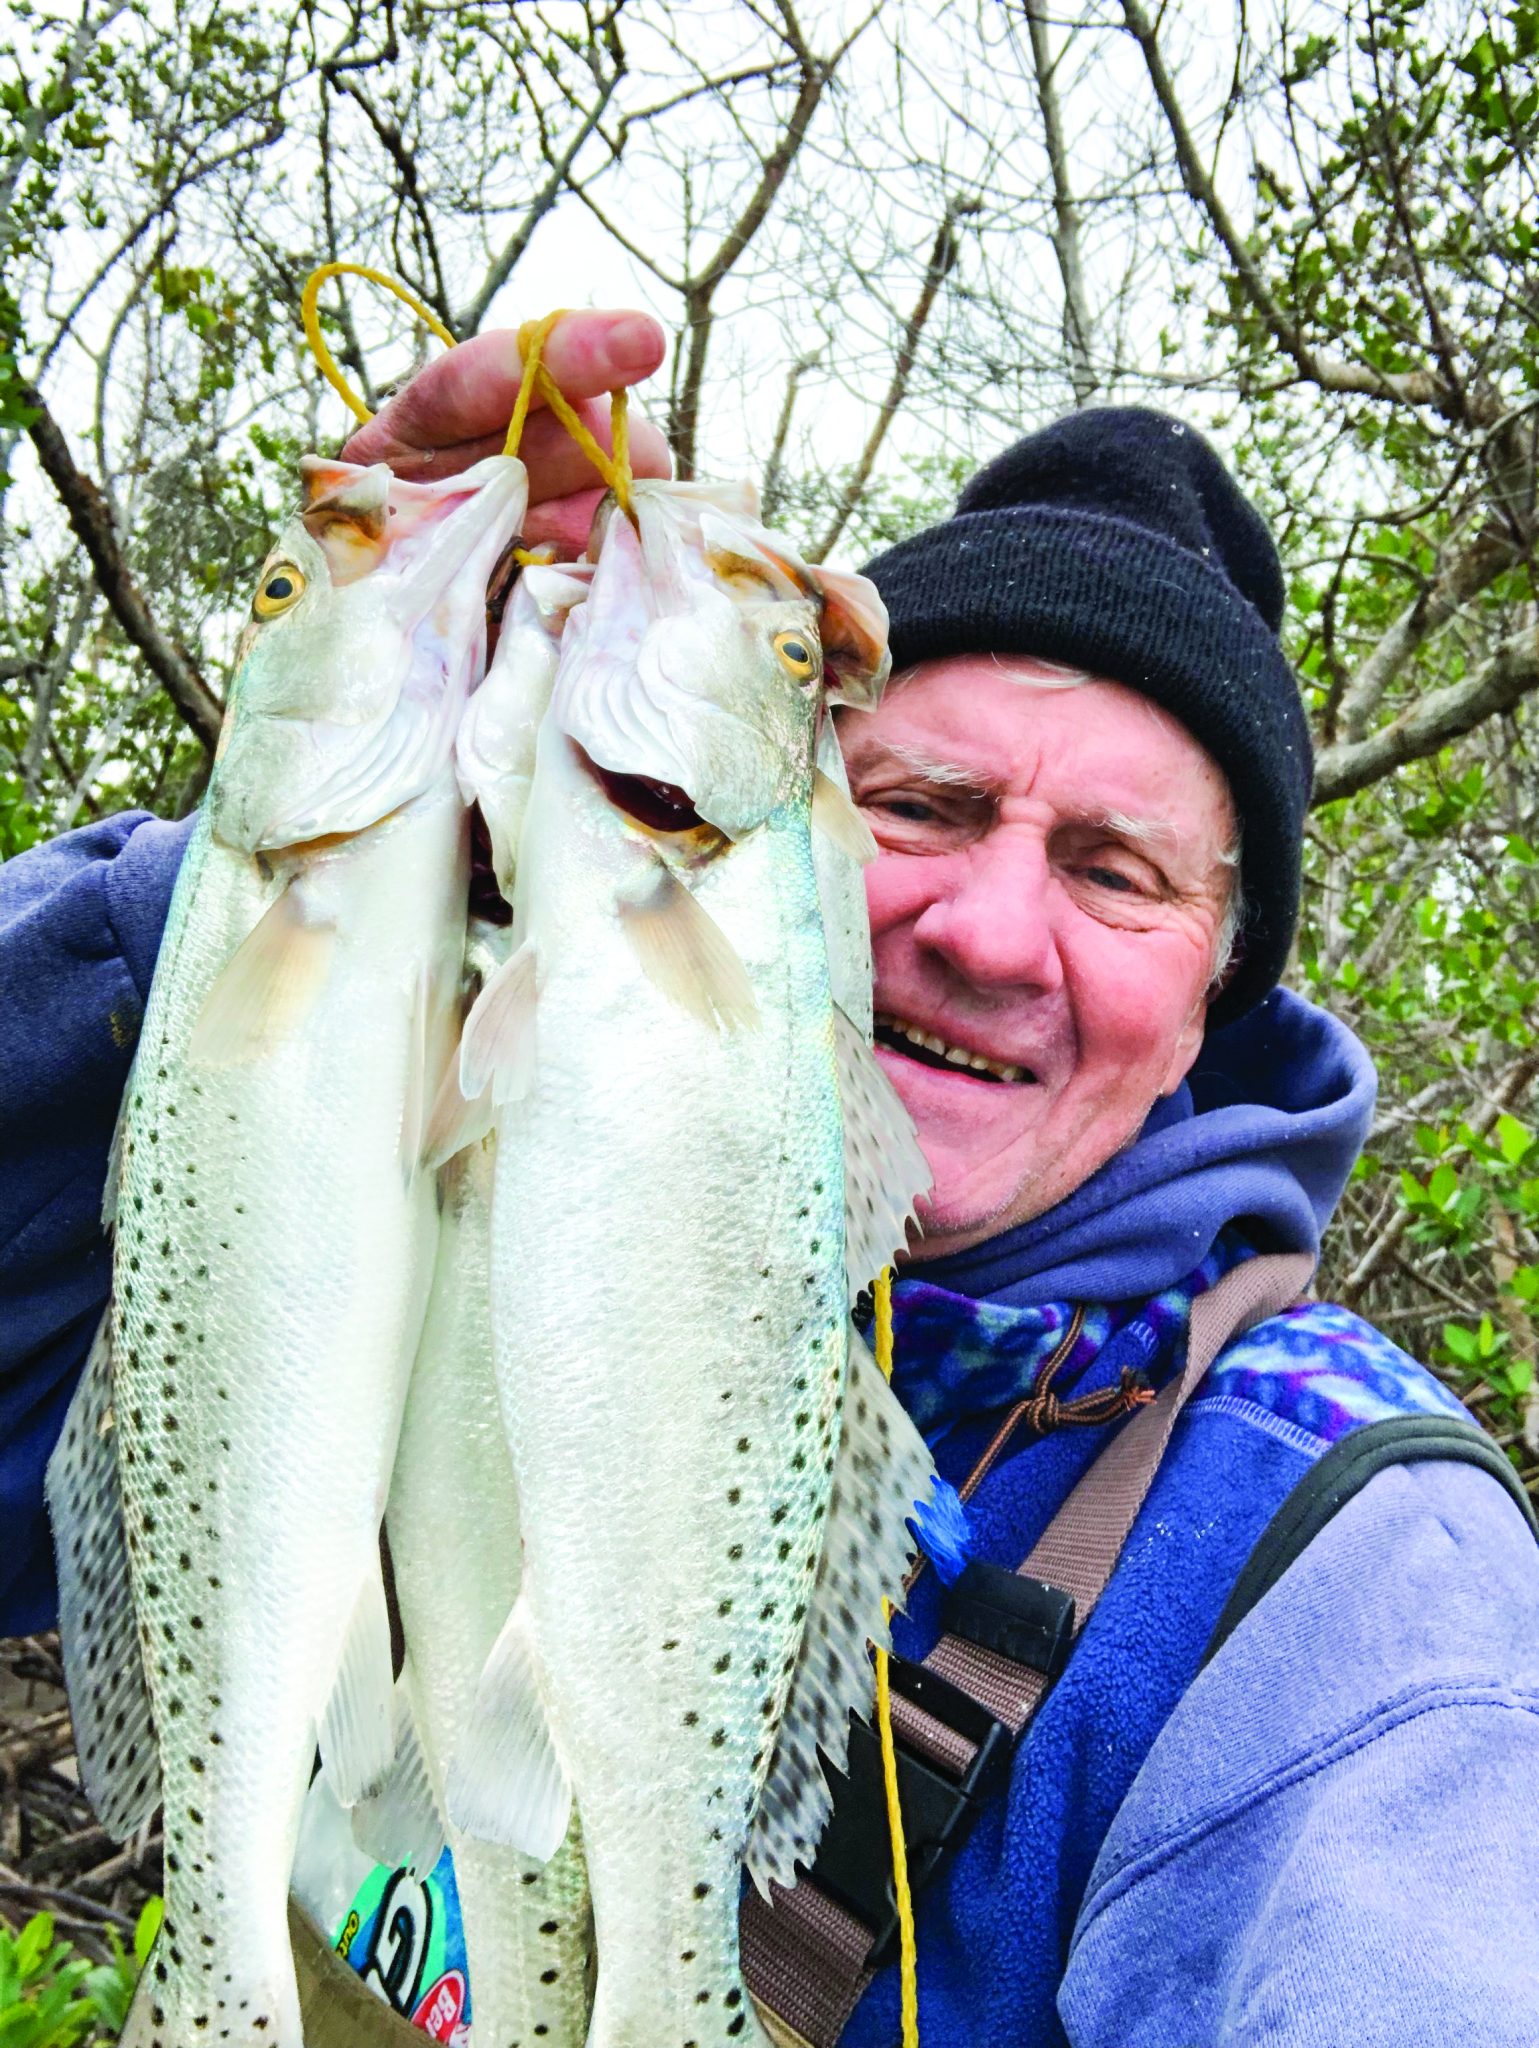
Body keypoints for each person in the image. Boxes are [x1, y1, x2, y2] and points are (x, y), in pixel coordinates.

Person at [4, 312, 1538, 2046]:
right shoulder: (445, 1137)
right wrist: (302, 835)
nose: (987, 930)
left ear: (1213, 1000)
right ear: (804, 834)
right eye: (925, 807)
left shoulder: (1358, 1558)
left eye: (1116, 874)